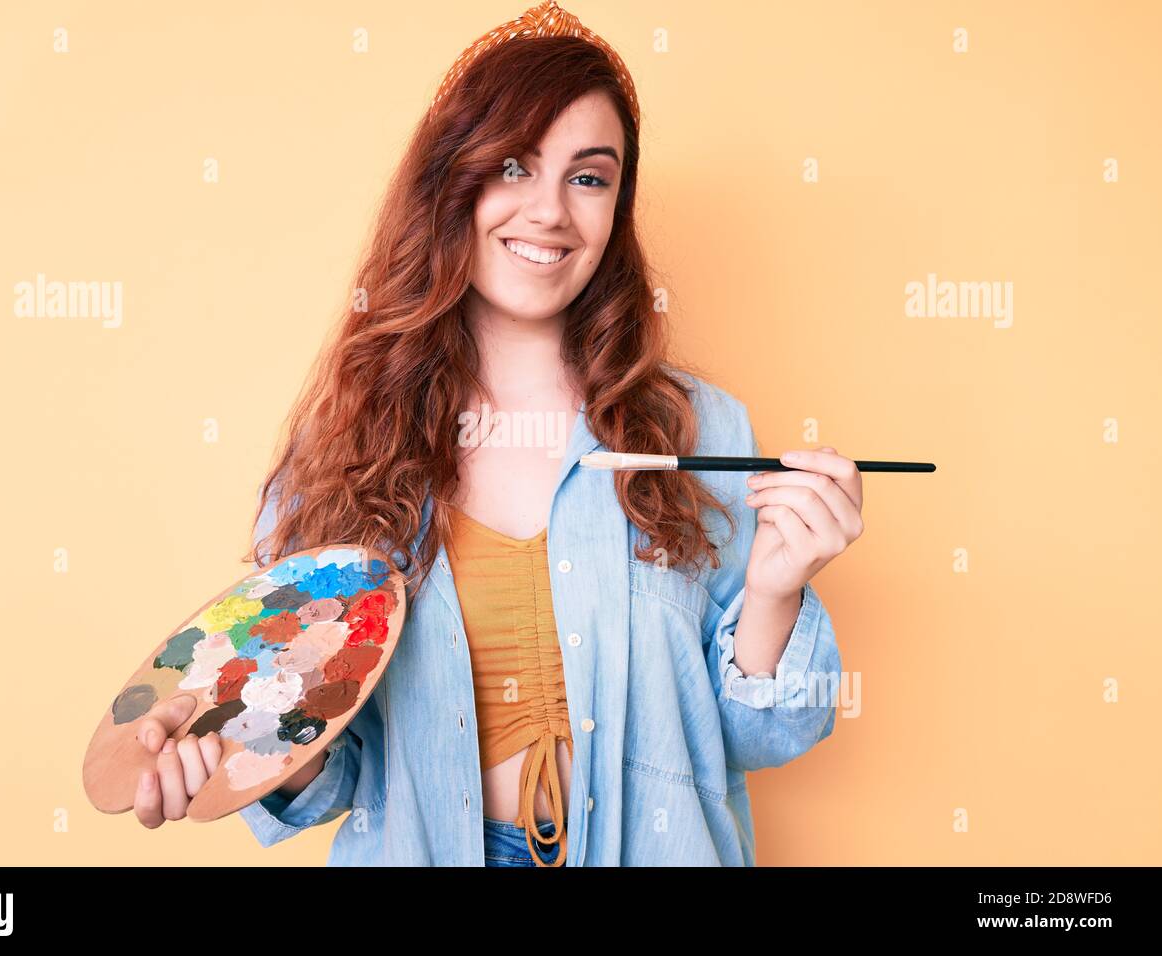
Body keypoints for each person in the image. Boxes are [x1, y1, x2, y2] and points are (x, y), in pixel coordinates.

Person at [128, 0, 862, 866]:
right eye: (514, 166)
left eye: (588, 177)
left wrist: (777, 589)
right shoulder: (345, 448)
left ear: (616, 207)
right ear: (453, 182)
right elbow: (330, 781)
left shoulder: (699, 429)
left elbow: (751, 738)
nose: (550, 211)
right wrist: (232, 743)